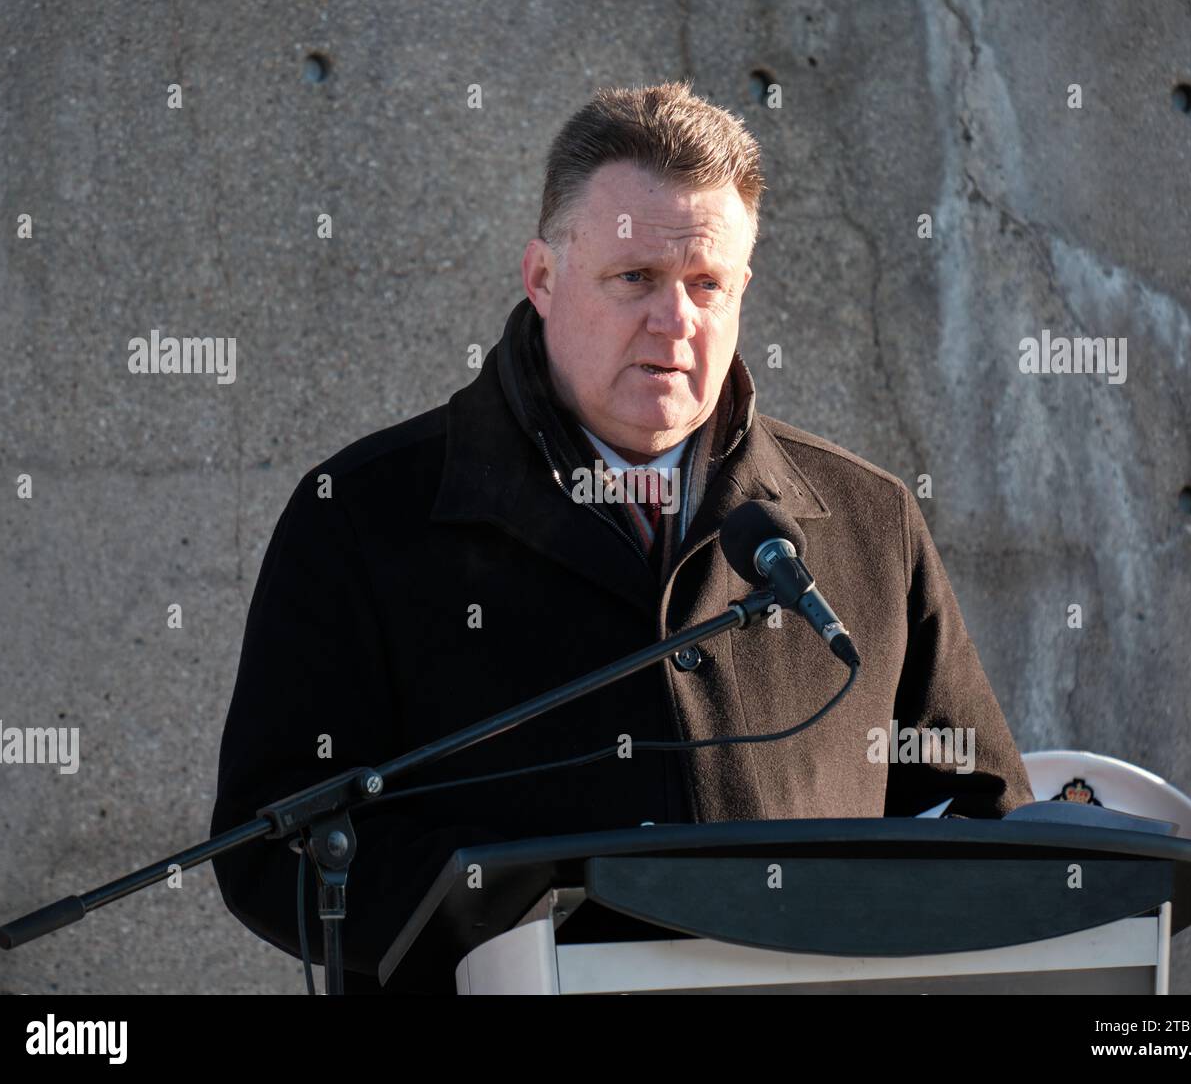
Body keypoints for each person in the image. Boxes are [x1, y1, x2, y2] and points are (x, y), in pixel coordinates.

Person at [209, 80, 1034, 994]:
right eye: (635, 277)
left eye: (706, 284)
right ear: (543, 279)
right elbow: (268, 842)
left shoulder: (870, 519)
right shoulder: (362, 515)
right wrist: (512, 927)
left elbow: (978, 809)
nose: (674, 322)